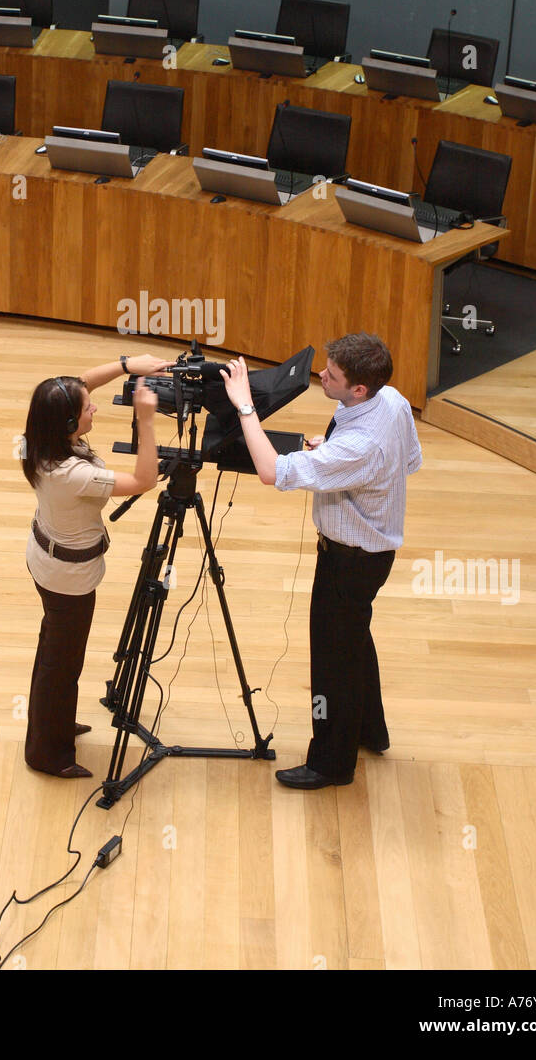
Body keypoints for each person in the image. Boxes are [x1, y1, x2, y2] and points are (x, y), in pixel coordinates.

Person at [221, 332, 422, 790]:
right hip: (367, 555)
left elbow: (272, 473)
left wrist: (245, 406)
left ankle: (331, 763)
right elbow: (408, 461)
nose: (321, 375)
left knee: (332, 663)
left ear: (358, 389)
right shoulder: (390, 401)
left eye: (332, 375)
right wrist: (335, 462)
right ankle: (370, 730)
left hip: (350, 560)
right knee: (352, 642)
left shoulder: (363, 444)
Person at [21, 352, 171, 779]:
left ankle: (52, 725)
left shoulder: (39, 434)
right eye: (88, 409)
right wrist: (146, 419)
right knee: (62, 665)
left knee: (54, 652)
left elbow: (77, 384)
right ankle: (48, 755)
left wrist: (127, 365)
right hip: (67, 578)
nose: (95, 407)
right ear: (68, 422)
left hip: (46, 559)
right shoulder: (71, 474)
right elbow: (143, 480)